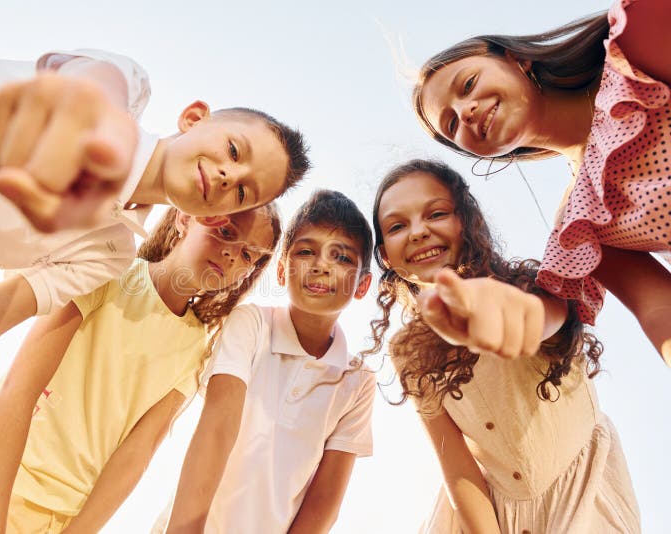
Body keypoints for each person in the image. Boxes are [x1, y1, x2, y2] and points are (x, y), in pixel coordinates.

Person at [0, 49, 310, 410]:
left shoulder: (104, 253)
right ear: (194, 117)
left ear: (215, 217)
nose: (230, 176)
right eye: (233, 149)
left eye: (243, 193)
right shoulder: (126, 85)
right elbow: (95, 84)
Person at [0, 202, 281, 534]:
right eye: (226, 231)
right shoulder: (109, 274)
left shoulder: (197, 348)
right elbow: (19, 387)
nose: (234, 254)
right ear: (185, 217)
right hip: (5, 486)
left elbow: (136, 456)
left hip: (69, 511)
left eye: (251, 255)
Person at [369, 159, 639, 533]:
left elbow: (544, 317)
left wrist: (519, 317)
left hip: (580, 497)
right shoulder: (408, 351)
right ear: (385, 256)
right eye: (397, 226)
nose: (417, 232)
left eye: (437, 213)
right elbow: (456, 465)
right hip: (482, 511)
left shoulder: (525, 286)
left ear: (466, 221)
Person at [411, 0, 671, 363]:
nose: (465, 112)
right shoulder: (580, 222)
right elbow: (657, 307)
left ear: (517, 59)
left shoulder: (632, 51)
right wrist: (520, 317)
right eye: (452, 125)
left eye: (468, 84)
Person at [163, 190, 375, 533]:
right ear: (281, 271)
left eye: (342, 258)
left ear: (362, 285)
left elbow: (324, 502)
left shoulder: (357, 382)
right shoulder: (252, 324)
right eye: (306, 252)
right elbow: (217, 428)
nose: (321, 265)